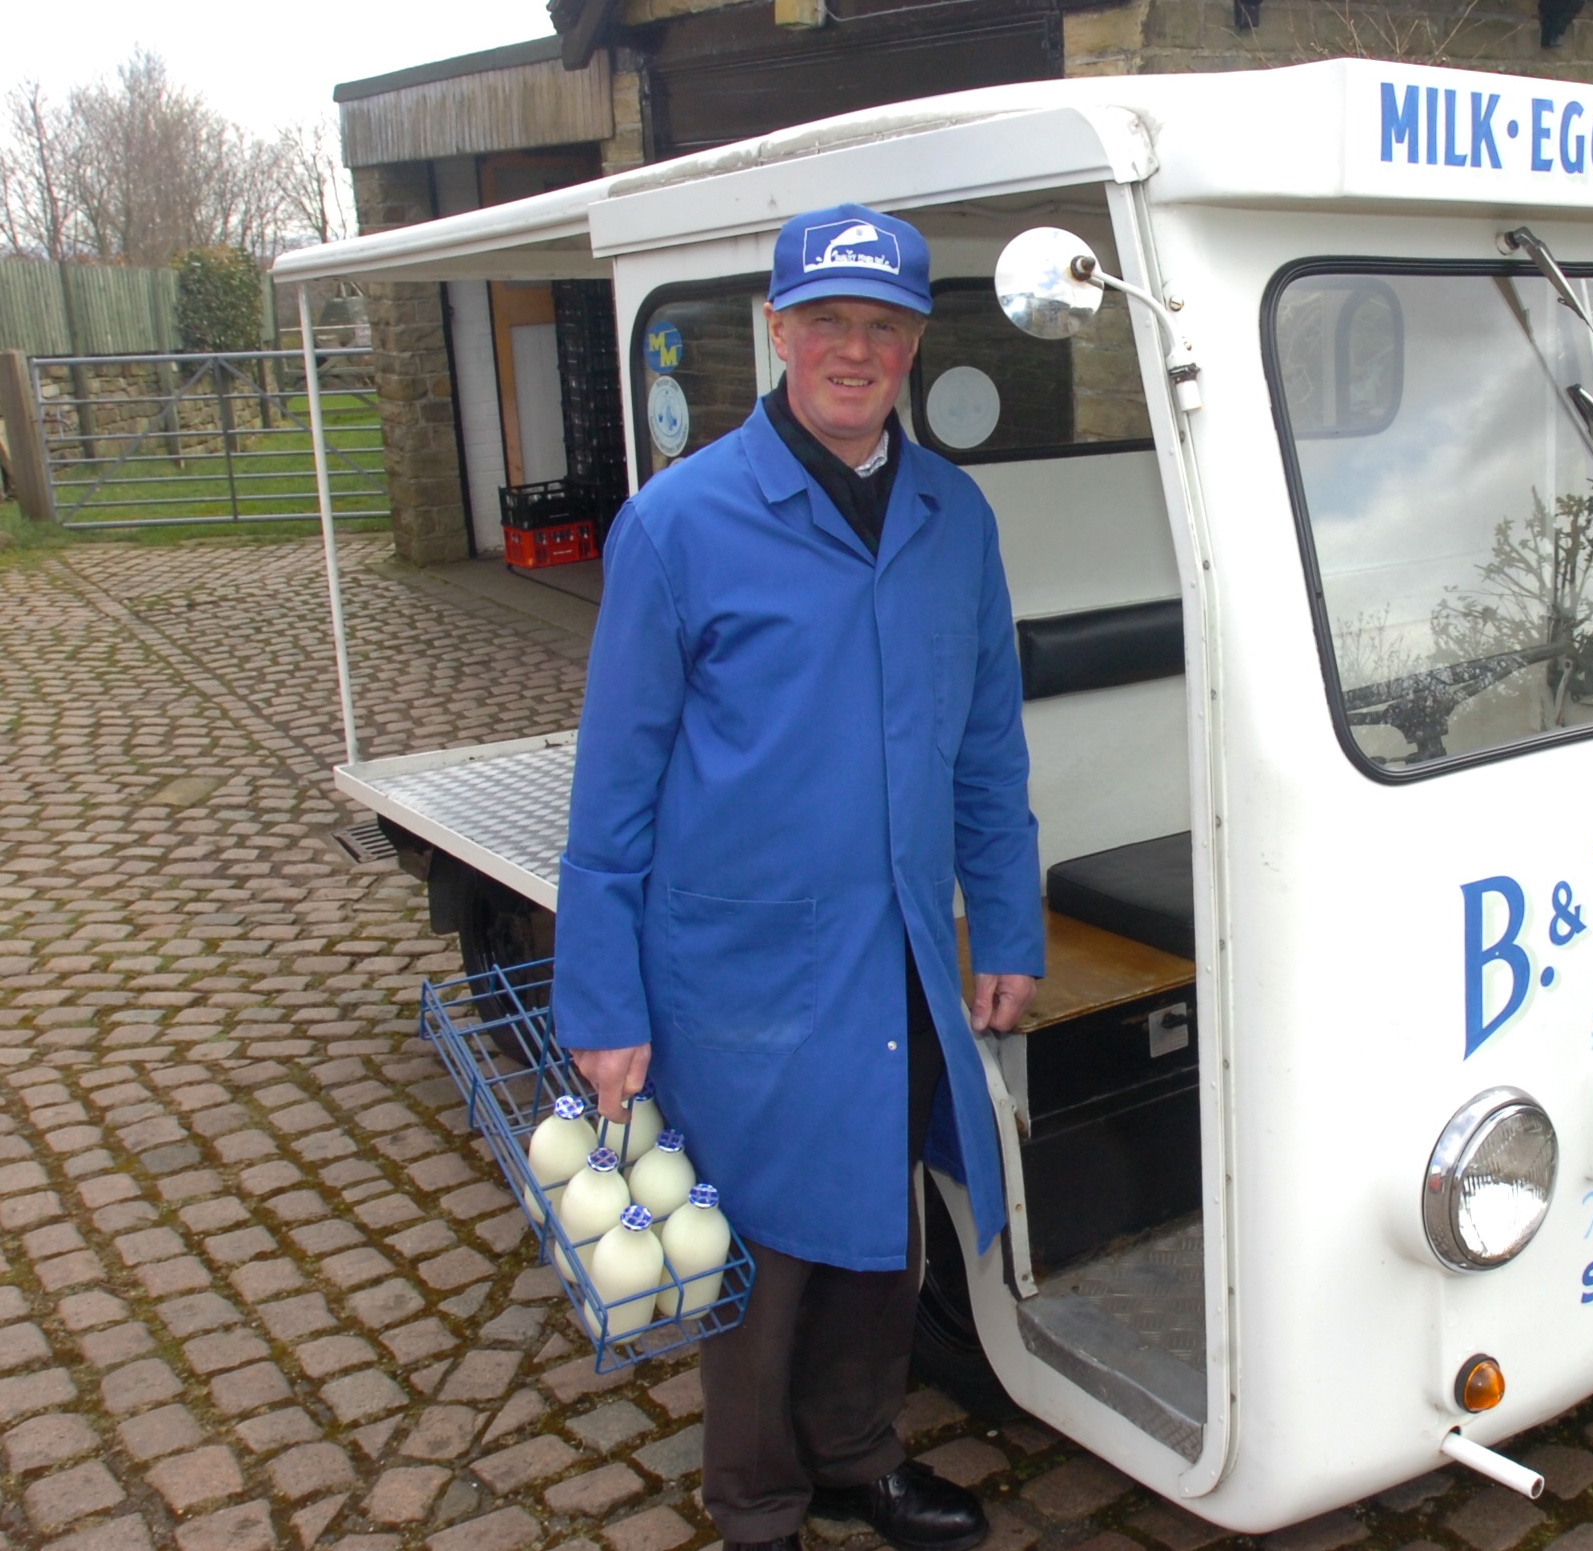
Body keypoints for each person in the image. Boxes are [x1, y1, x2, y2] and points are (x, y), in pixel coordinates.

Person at [551, 203, 1044, 1551]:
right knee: (761, 1251)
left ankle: (857, 1458)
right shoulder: (678, 524)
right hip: (740, 968)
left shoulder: (954, 516)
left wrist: (1002, 921)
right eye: (826, 320)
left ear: (912, 345)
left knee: (877, 1230)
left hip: (896, 948)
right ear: (776, 331)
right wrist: (600, 1003)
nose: (853, 349)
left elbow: (988, 747)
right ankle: (758, 1504)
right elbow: (613, 795)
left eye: (881, 325)